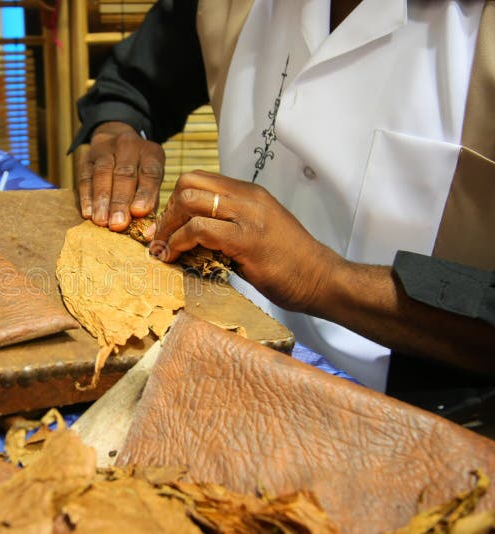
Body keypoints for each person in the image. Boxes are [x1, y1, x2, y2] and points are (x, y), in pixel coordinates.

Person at [70, 0, 495, 400]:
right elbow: (133, 84)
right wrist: (117, 132)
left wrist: (324, 279)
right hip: (219, 346)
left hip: (423, 407)